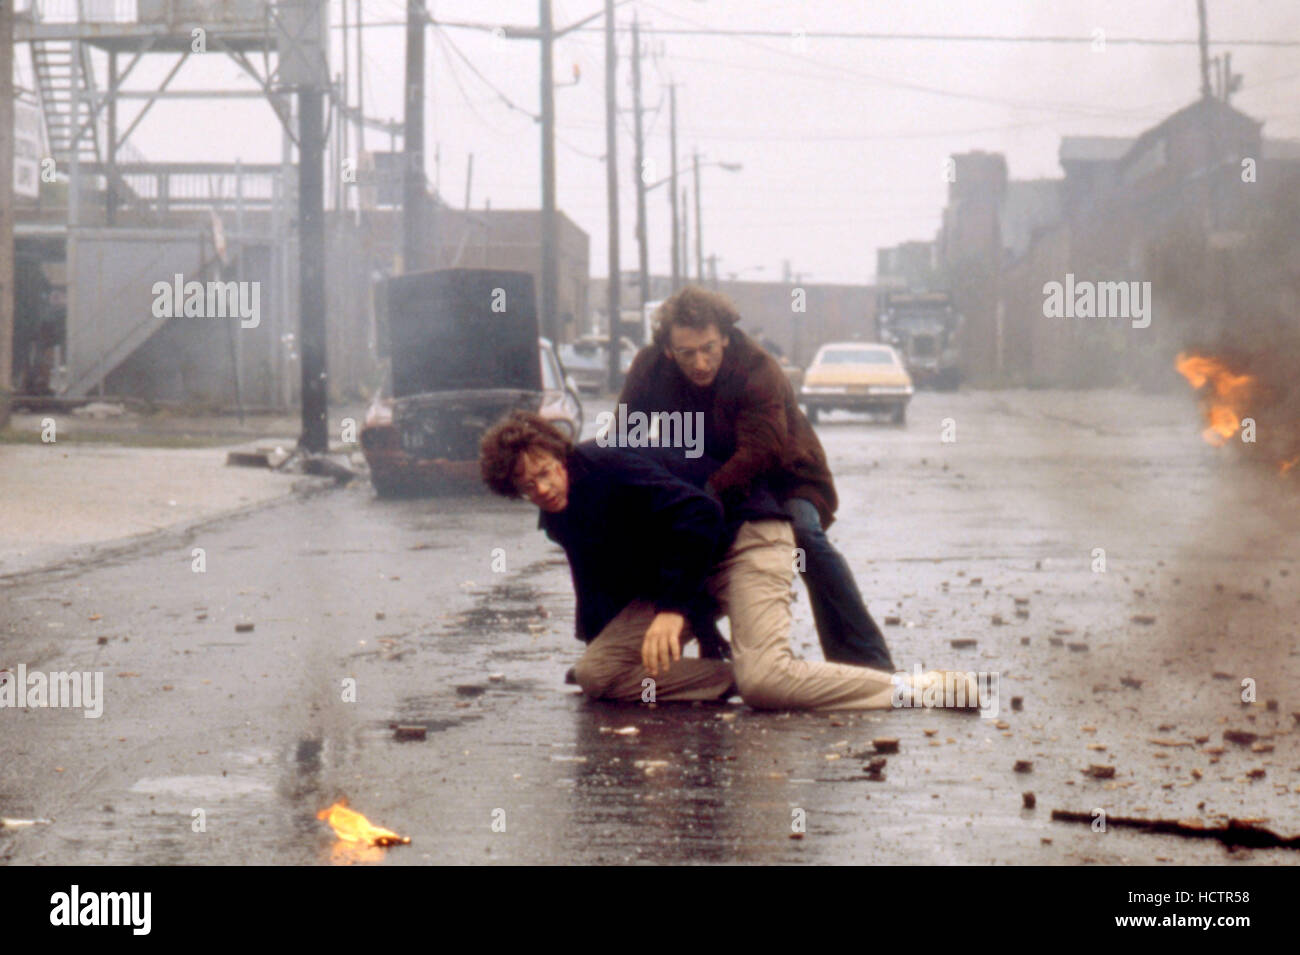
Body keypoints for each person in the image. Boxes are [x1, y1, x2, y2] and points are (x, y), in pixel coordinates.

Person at [479, 411, 972, 711]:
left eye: (546, 472)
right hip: (692, 567)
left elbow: (700, 512)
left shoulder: (608, 464)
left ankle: (922, 690)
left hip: (747, 538)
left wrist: (673, 612)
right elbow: (596, 588)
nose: (543, 489)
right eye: (527, 487)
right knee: (596, 675)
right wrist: (602, 648)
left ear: (559, 455)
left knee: (767, 682)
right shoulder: (559, 518)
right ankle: (755, 679)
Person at [618, 285, 895, 671]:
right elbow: (625, 440)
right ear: (668, 350)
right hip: (705, 472)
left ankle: (867, 662)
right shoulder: (649, 368)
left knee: (805, 539)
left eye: (709, 348)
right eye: (687, 353)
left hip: (784, 475)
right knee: (649, 527)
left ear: (725, 338)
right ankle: (646, 645)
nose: (700, 363)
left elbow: (759, 452)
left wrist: (702, 499)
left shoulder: (757, 369)